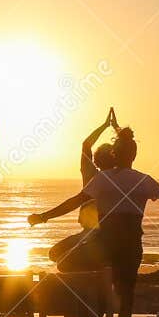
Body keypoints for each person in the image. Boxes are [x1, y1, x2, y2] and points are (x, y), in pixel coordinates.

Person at [29, 128, 159, 317]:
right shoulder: (143, 180)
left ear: (114, 155)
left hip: (106, 243)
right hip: (130, 243)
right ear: (134, 155)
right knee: (126, 291)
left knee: (95, 280)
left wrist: (44, 216)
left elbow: (74, 201)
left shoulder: (103, 179)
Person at [48, 107, 120, 265]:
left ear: (96, 160)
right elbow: (125, 149)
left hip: (98, 234)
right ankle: (99, 266)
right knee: (56, 254)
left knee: (59, 258)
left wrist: (105, 125)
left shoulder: (103, 175)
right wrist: (116, 129)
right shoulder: (119, 175)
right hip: (91, 233)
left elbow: (86, 145)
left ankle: (99, 269)